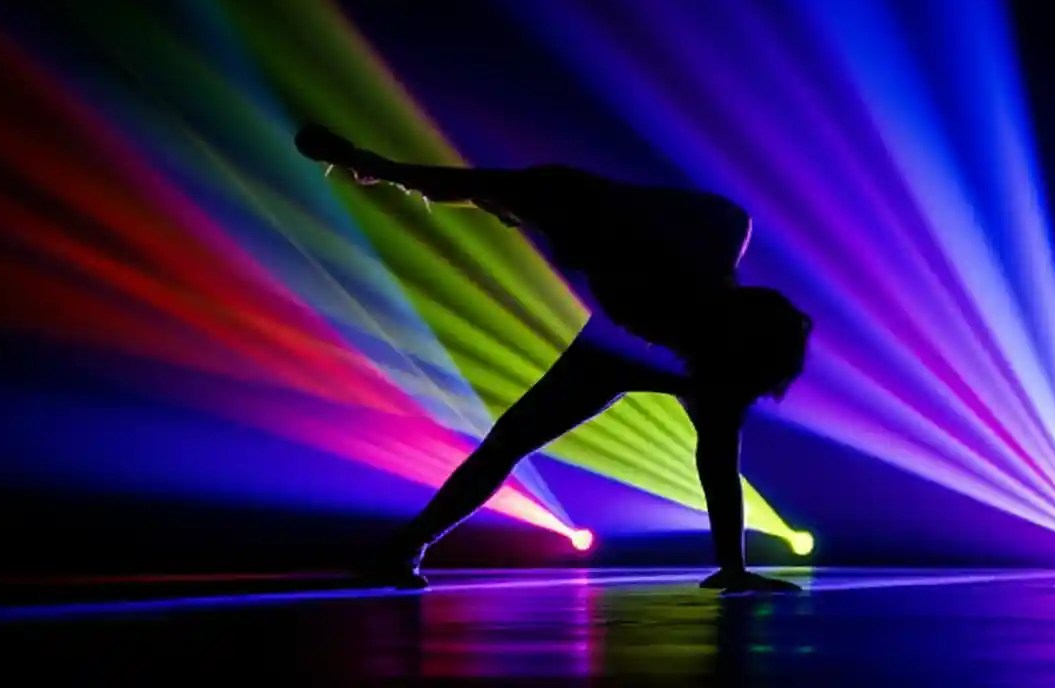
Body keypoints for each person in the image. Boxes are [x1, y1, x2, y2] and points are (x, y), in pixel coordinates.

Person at [295, 124, 811, 592]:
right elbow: (465, 185)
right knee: (512, 439)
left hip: (652, 327)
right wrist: (369, 162)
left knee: (711, 445)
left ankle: (732, 567)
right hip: (621, 337)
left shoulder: (708, 260)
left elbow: (467, 186)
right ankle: (403, 549)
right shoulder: (584, 206)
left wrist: (374, 164)